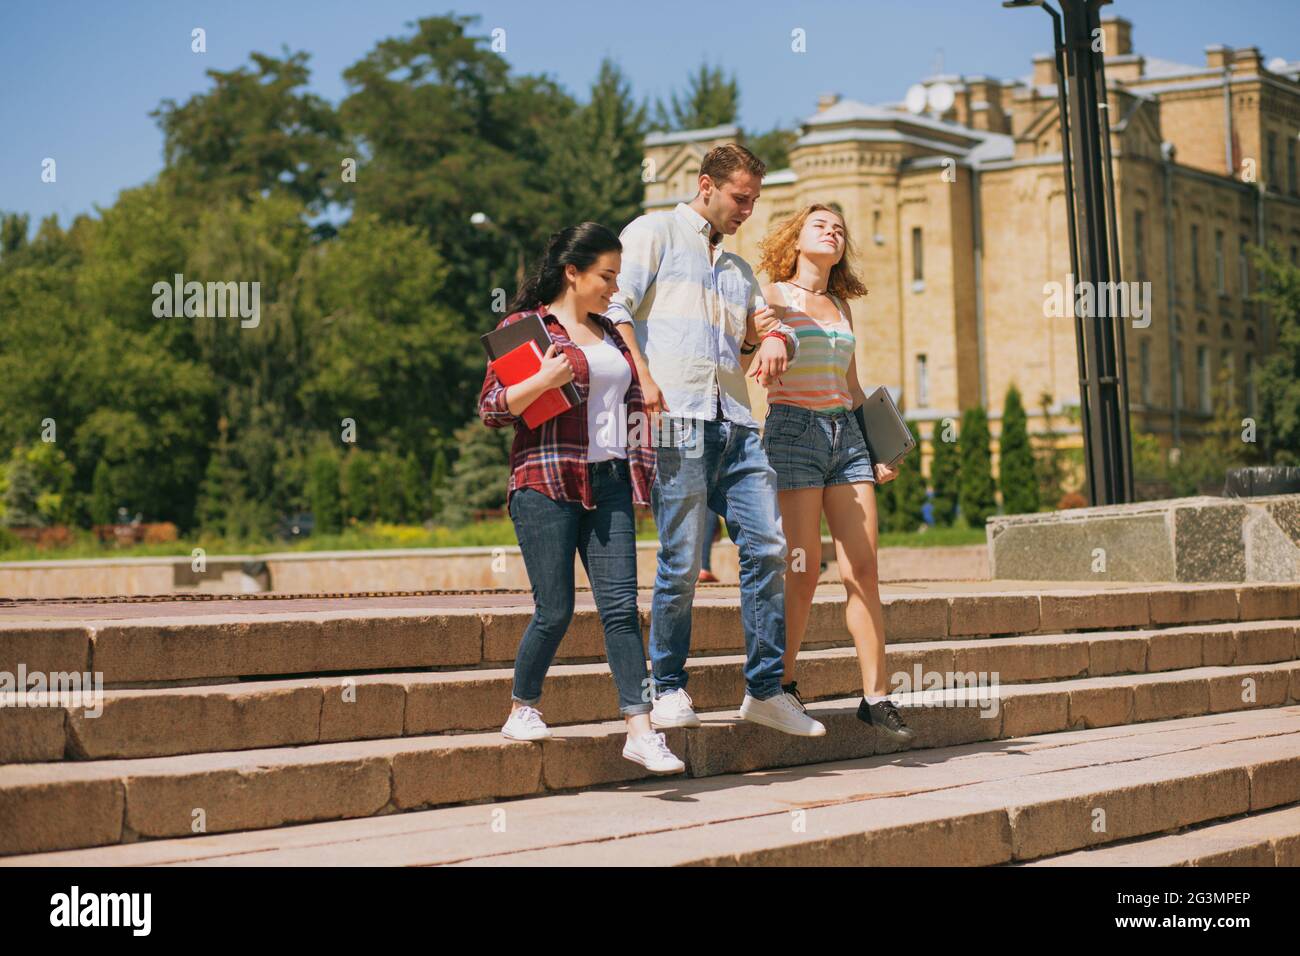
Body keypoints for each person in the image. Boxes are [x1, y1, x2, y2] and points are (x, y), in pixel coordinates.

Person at [606, 144, 825, 737]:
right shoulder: (654, 233)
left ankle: (763, 689)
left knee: (769, 548)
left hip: (738, 425)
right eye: (740, 198)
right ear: (706, 185)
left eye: (754, 200)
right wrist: (644, 376)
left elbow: (763, 334)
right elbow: (614, 305)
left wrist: (772, 340)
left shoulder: (738, 271)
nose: (748, 210)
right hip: (679, 418)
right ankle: (669, 684)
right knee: (680, 561)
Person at [477, 222, 685, 773]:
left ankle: (640, 729)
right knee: (556, 608)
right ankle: (523, 705)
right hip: (545, 484)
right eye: (606, 276)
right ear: (573, 272)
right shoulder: (526, 328)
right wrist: (543, 379)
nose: (614, 289)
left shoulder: (611, 333)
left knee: (621, 610)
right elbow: (493, 408)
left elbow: (629, 404)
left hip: (610, 482)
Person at [749, 202, 914, 742]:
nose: (833, 233)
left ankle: (876, 695)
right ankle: (782, 684)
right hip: (793, 433)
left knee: (862, 569)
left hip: (845, 436)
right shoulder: (772, 294)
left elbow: (854, 387)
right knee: (801, 568)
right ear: (797, 239)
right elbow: (755, 349)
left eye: (840, 228)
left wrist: (878, 447)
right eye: (822, 225)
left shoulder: (842, 306)